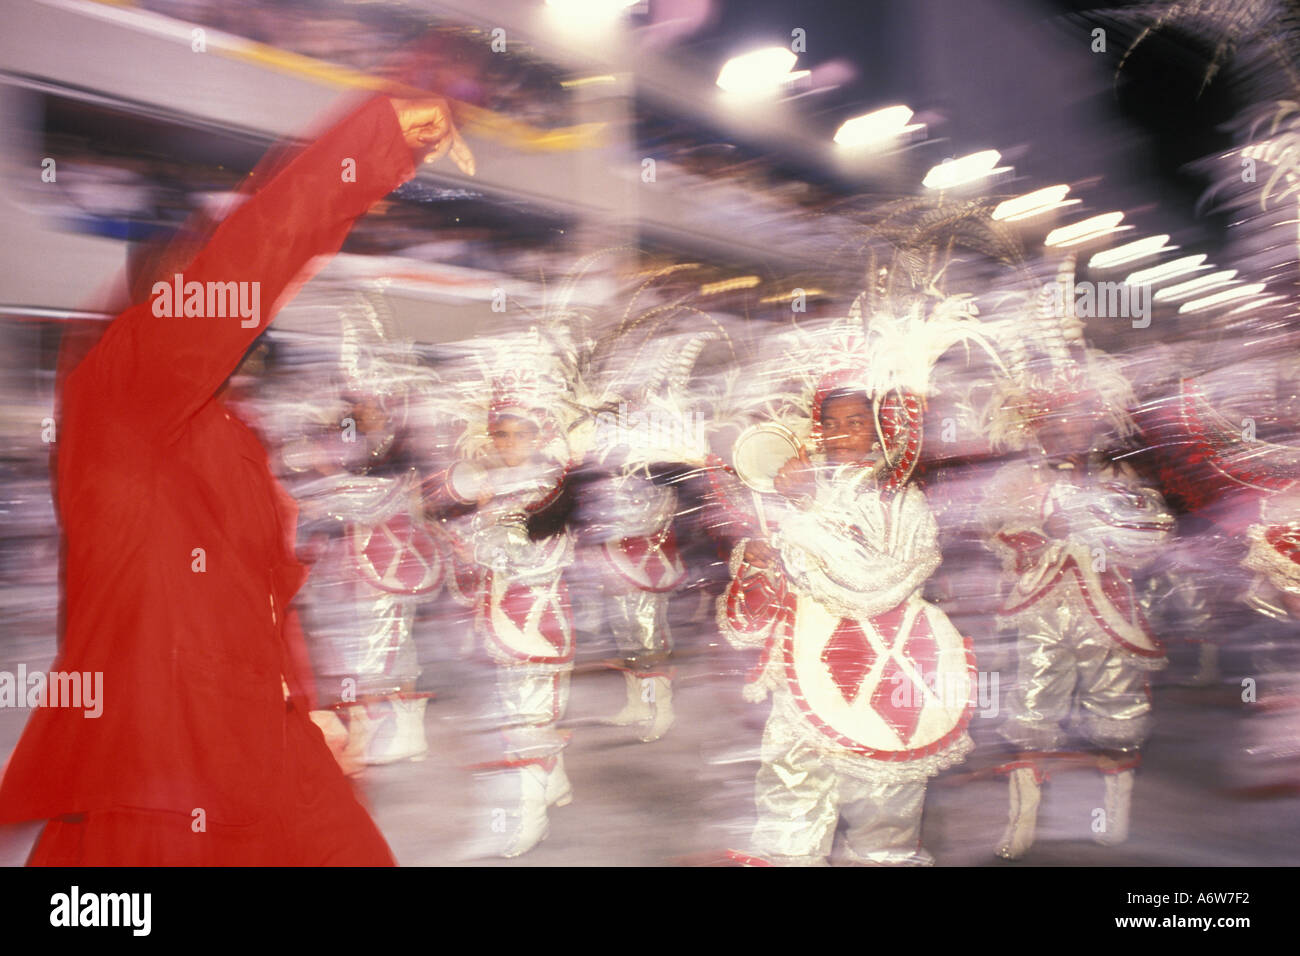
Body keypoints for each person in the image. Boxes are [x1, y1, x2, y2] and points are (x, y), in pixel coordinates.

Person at [0, 92, 474, 864]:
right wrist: (374, 141)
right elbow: (256, 250)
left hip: (261, 754)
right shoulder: (117, 397)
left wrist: (304, 709)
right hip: (159, 774)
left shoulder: (225, 429)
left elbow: (264, 598)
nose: (240, 325)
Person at [718, 387, 975, 865]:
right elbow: (762, 605)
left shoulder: (903, 503)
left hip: (885, 673)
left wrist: (809, 506)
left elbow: (873, 583)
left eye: (854, 422)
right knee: (789, 798)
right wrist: (757, 562)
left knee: (883, 810)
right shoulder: (795, 488)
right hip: (803, 671)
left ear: (881, 430)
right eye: (830, 423)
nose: (838, 435)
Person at [984, 376, 1173, 859]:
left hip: (1111, 616)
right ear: (1037, 426)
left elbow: (1154, 540)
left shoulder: (1124, 479)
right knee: (1031, 710)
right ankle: (1022, 819)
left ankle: (1116, 811)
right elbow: (998, 535)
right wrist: (1044, 533)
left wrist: (1113, 533)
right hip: (1042, 614)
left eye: (1080, 422)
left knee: (1118, 713)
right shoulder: (1019, 480)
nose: (1069, 434)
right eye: (1058, 424)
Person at [434, 373, 576, 858]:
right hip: (499, 624)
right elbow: (467, 557)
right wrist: (469, 522)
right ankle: (552, 782)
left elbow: (535, 557)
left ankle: (527, 818)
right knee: (523, 715)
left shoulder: (556, 487)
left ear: (541, 436)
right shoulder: (491, 484)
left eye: (522, 433)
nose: (511, 442)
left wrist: (479, 531)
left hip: (536, 626)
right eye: (502, 433)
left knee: (524, 720)